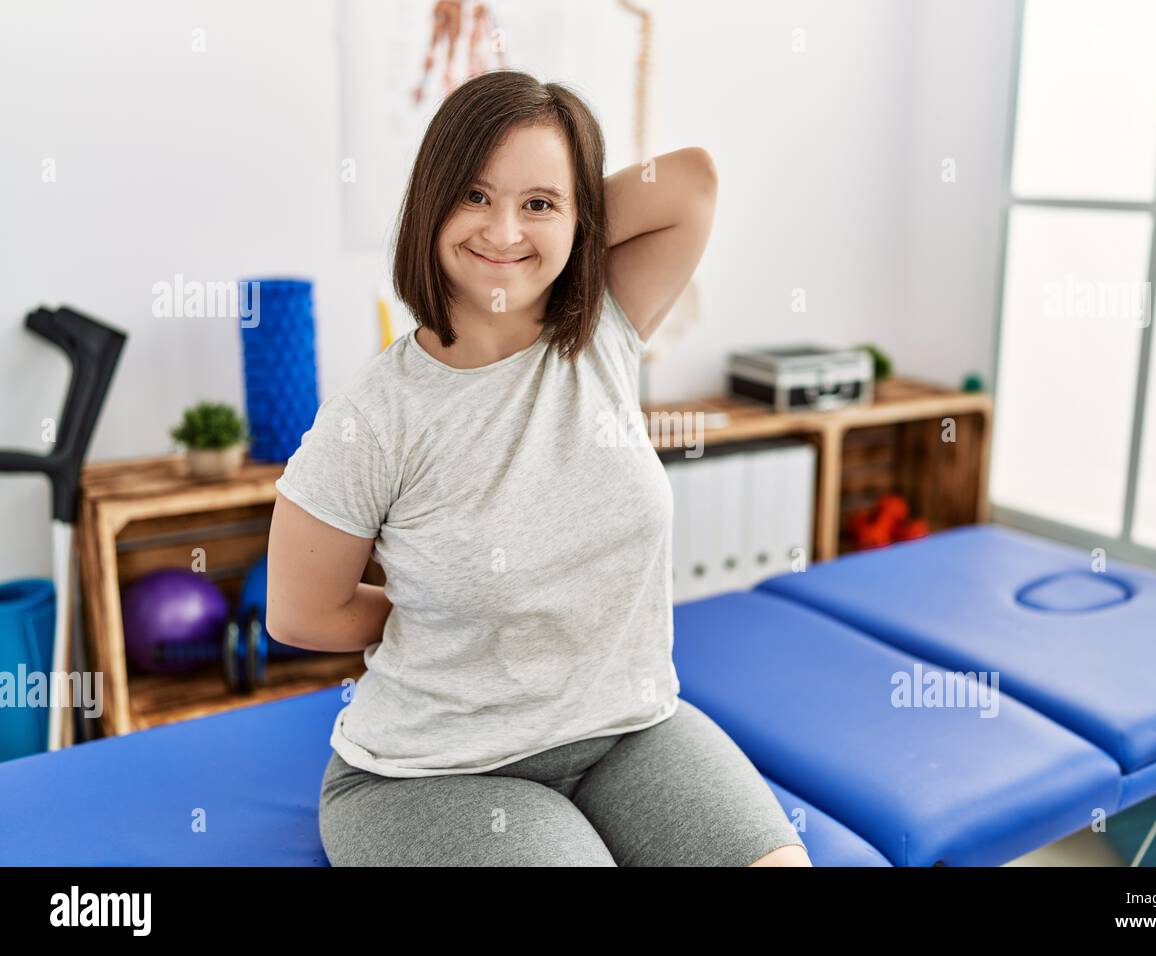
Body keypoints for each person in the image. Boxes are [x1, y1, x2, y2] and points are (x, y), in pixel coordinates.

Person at [267, 69, 810, 867]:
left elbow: (691, 182)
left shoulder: (602, 331)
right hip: (433, 774)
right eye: (474, 195)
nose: (503, 230)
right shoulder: (374, 416)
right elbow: (299, 613)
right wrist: (453, 618)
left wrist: (566, 230)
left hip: (628, 733)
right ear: (430, 202)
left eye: (538, 203)